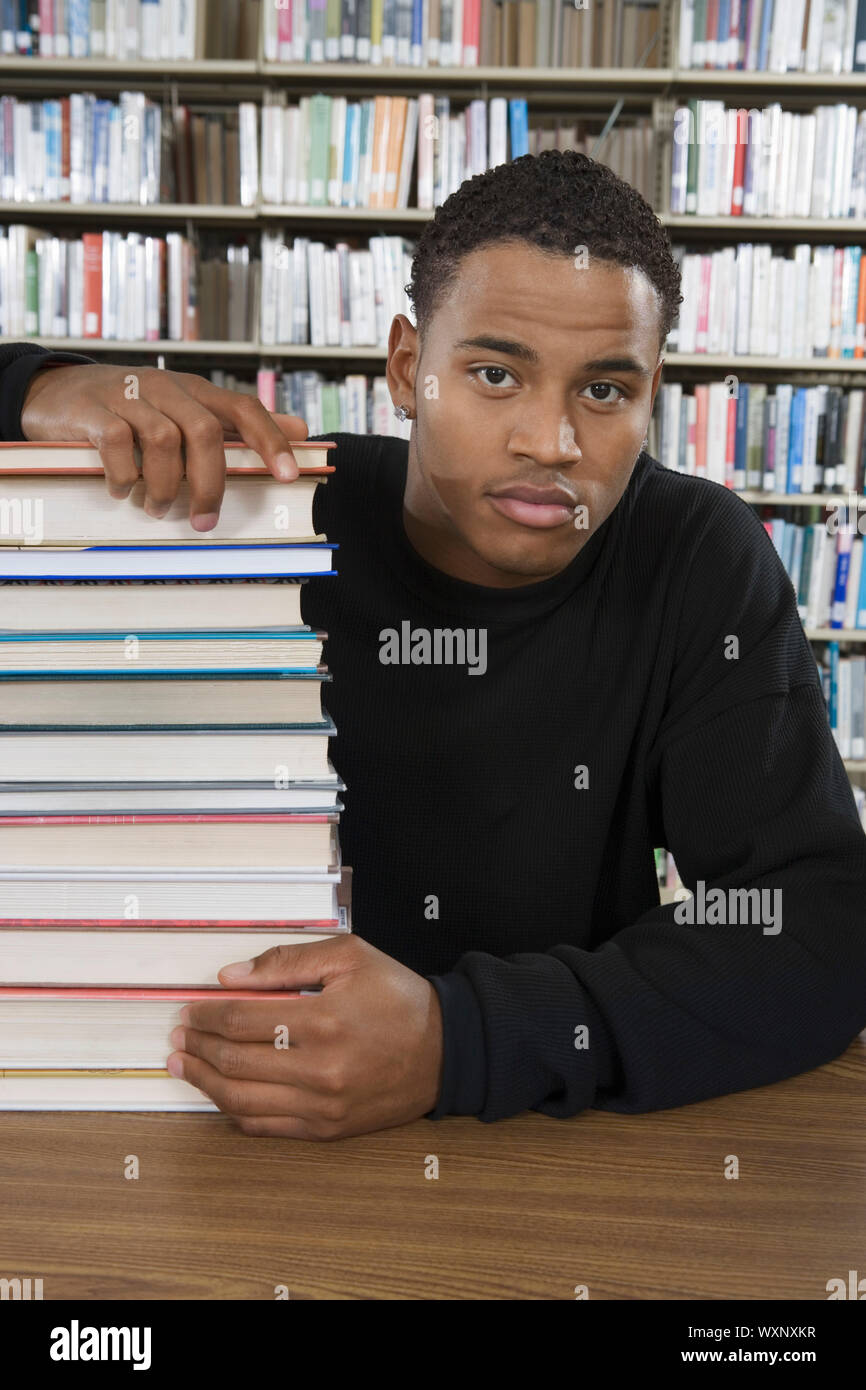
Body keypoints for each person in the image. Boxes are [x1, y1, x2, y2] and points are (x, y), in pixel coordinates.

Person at [2, 150, 865, 1142]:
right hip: (170, 1126)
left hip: (531, 1155)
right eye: (495, 373)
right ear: (408, 368)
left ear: (652, 393)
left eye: (603, 390)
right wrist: (37, 389)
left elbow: (818, 926)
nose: (550, 439)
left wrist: (459, 1040)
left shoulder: (693, 555)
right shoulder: (256, 514)